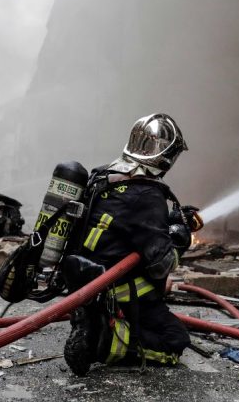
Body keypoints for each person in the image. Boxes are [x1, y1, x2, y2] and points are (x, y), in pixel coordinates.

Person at [62, 113, 198, 376]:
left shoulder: (104, 176)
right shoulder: (148, 193)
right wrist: (180, 239)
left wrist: (170, 220)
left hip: (87, 283)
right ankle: (101, 343)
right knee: (175, 342)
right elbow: (161, 265)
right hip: (119, 292)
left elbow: (125, 223)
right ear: (166, 155)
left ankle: (92, 320)